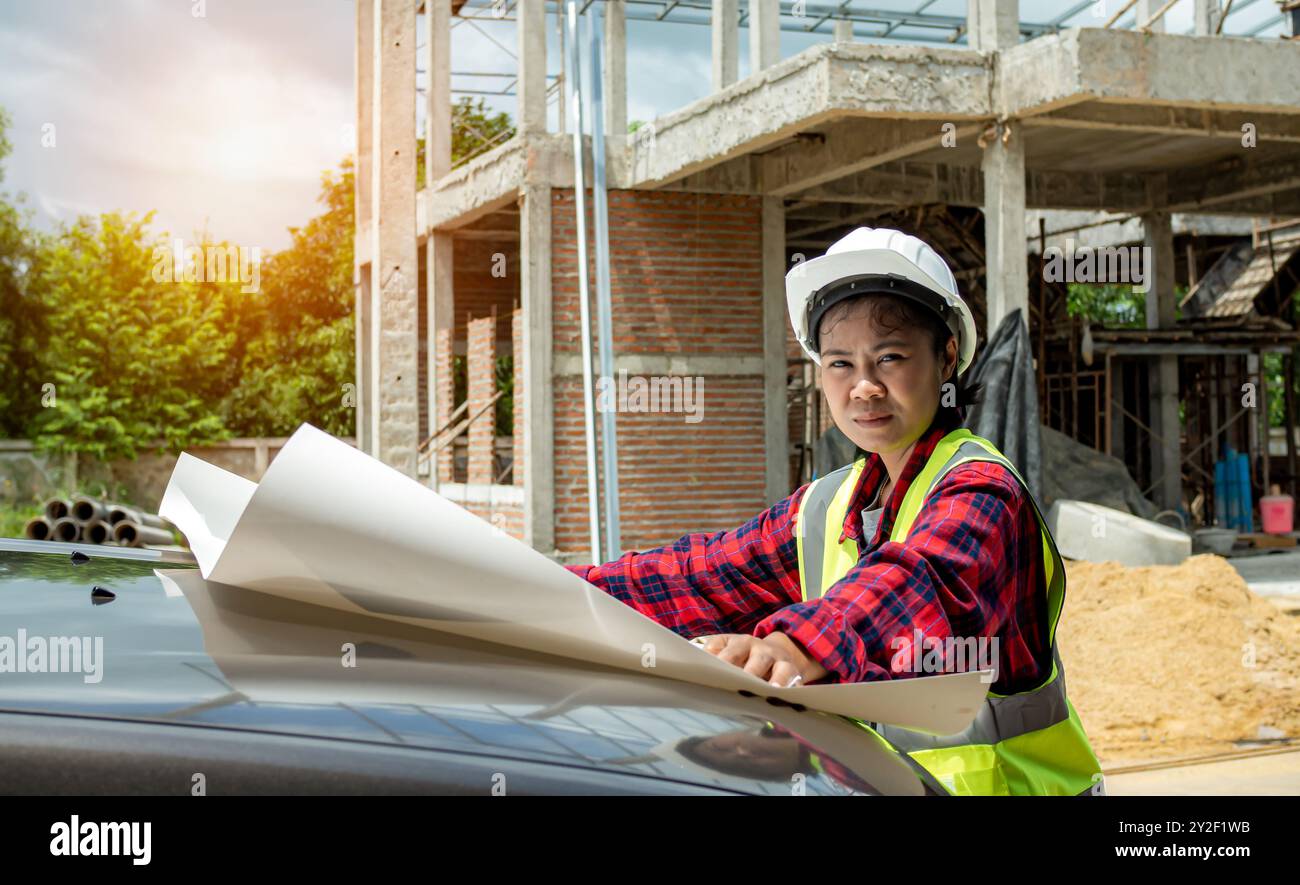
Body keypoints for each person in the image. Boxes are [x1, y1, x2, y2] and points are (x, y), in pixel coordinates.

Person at [565, 227, 1102, 796]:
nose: (864, 387)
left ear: (946, 358)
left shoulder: (981, 492)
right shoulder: (827, 506)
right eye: (841, 364)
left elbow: (921, 582)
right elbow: (702, 577)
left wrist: (790, 648)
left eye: (889, 358)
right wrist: (549, 588)